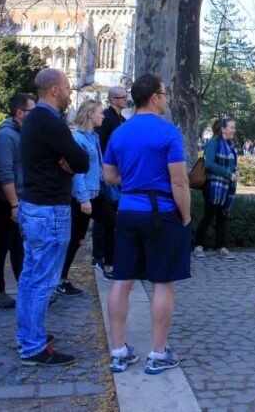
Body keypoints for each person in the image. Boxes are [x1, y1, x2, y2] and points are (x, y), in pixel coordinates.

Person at [104, 74, 192, 375]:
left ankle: (118, 351)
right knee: (162, 283)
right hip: (161, 212)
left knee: (122, 281)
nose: (166, 99)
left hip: (128, 210)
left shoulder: (120, 132)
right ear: (154, 97)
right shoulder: (168, 133)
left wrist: (133, 181)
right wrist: (186, 216)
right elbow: (179, 182)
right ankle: (157, 353)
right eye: (164, 94)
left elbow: (109, 176)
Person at [17, 68, 89, 367]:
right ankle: (33, 346)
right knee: (42, 280)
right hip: (49, 210)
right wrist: (70, 164)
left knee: (31, 277)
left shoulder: (34, 118)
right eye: (68, 88)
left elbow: (75, 161)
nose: (71, 93)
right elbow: (82, 160)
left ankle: (29, 335)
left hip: (34, 206)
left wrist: (70, 163)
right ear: (55, 90)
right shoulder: (50, 121)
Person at [56, 99, 116, 296]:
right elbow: (78, 172)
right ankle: (61, 279)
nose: (103, 115)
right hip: (84, 197)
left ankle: (107, 265)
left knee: (112, 225)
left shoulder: (93, 137)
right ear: (90, 114)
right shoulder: (79, 140)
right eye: (100, 112)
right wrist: (83, 199)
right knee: (75, 238)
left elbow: (95, 166)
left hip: (96, 193)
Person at [0, 93, 36, 308]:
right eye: (31, 111)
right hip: (6, 202)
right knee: (1, 246)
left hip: (20, 200)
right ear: (19, 113)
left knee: (18, 247)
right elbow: (5, 173)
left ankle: (24, 289)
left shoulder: (22, 133)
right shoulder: (6, 137)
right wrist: (14, 204)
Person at [91, 87, 128, 275]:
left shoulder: (122, 119)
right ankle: (99, 256)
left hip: (119, 173)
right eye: (123, 97)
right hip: (108, 173)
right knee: (106, 216)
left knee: (114, 214)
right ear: (113, 99)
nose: (127, 99)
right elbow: (101, 146)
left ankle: (111, 255)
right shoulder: (106, 118)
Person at [193, 116, 239, 260]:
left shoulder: (231, 145)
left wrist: (235, 172)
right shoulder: (213, 143)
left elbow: (232, 165)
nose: (234, 130)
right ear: (223, 129)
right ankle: (197, 245)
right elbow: (209, 164)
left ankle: (222, 246)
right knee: (209, 216)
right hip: (213, 186)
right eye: (232, 127)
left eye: (234, 127)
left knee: (222, 216)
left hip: (226, 186)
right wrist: (228, 173)